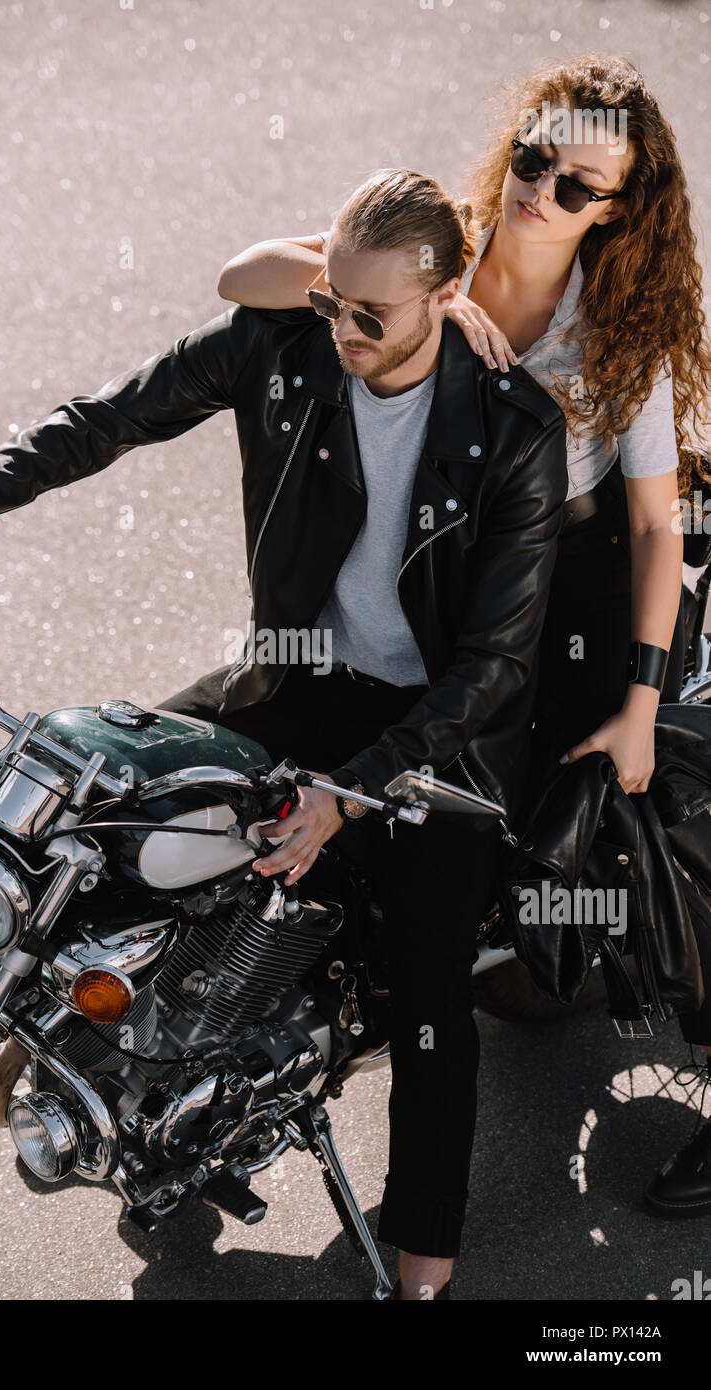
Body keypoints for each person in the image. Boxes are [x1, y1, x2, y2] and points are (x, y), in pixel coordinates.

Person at [0, 168, 568, 1299]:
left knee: (434, 988)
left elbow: (496, 667)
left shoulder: (512, 426)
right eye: (331, 296)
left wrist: (352, 790)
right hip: (293, 677)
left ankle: (428, 1247)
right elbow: (109, 416)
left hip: (441, 731)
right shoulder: (283, 347)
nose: (342, 327)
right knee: (109, 808)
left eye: (370, 313)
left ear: (443, 296)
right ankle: (148, 1086)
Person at [214, 54, 711, 1219]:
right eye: (535, 158)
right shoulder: (436, 245)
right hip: (414, 591)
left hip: (559, 598)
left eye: (581, 183)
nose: (545, 190)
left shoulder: (616, 335)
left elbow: (651, 530)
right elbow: (240, 273)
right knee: (235, 765)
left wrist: (637, 700)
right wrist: (427, 305)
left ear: (622, 208)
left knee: (640, 834)